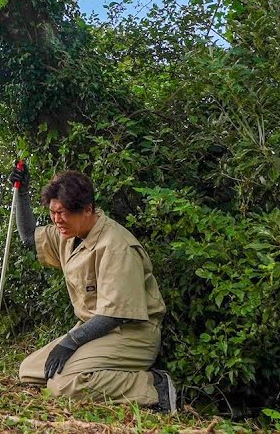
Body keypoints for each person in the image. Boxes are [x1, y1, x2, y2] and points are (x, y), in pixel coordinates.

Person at [9, 165, 176, 413]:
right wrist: (22, 193)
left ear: (87, 209)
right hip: (94, 332)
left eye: (63, 213)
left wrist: (70, 342)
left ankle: (154, 386)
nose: (57, 220)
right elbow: (27, 237)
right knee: (30, 371)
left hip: (131, 333)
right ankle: (94, 371)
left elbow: (115, 314)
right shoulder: (67, 233)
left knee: (62, 384)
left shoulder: (116, 245)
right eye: (53, 213)